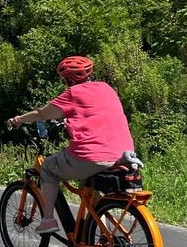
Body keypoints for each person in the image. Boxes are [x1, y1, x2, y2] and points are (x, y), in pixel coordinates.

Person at [8, 56, 135, 234]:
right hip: (123, 153)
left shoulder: (73, 93)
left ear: (68, 79)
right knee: (89, 189)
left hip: (92, 156)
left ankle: (48, 220)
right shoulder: (106, 88)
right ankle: (101, 236)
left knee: (48, 168)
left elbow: (42, 113)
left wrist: (19, 120)